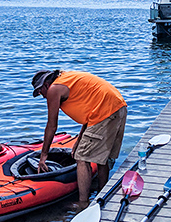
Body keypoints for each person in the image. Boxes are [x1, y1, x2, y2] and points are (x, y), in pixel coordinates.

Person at [32, 69, 127, 207]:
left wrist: (43, 156)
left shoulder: (54, 89)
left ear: (46, 85)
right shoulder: (67, 78)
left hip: (105, 113)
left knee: (81, 157)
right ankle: (102, 195)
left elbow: (52, 125)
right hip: (118, 108)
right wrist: (79, 140)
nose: (43, 97)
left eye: (41, 92)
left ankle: (83, 203)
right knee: (102, 158)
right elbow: (90, 111)